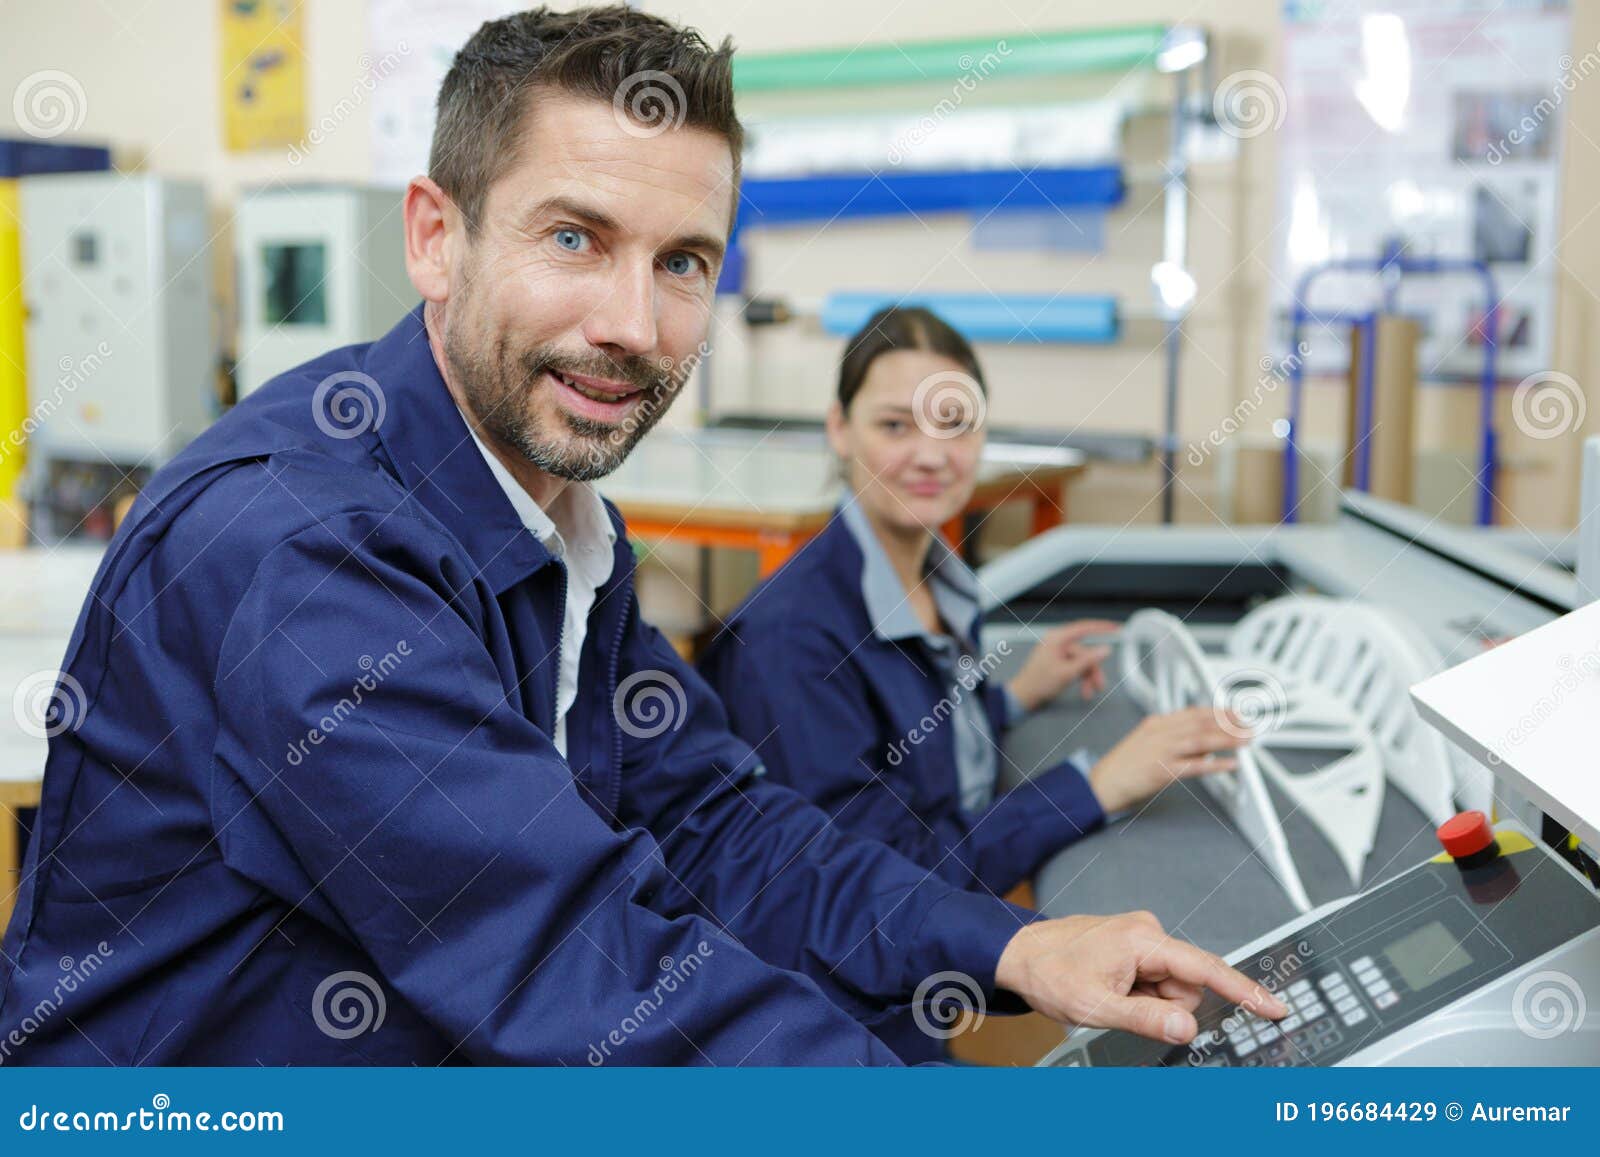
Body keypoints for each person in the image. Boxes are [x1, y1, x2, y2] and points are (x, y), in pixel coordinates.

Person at [0, 7, 1278, 1066]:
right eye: (576, 238)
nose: (633, 322)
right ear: (437, 238)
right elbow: (573, 951)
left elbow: (719, 822)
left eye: (682, 263)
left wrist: (1003, 945)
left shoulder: (557, 522)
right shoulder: (300, 550)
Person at [699, 307, 1249, 1057]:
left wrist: (1008, 697)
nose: (932, 454)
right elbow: (889, 884)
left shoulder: (937, 582)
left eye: (954, 423)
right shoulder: (793, 640)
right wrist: (1100, 782)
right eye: (896, 426)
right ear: (839, 429)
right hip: (837, 1025)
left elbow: (903, 746)